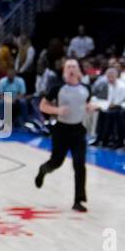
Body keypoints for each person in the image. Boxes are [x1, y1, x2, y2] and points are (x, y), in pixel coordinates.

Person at [36, 58, 99, 212]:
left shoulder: (86, 88)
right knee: (57, 162)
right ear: (64, 71)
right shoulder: (57, 88)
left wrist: (90, 107)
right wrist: (57, 111)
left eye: (74, 66)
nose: (71, 69)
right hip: (61, 130)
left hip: (78, 130)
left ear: (78, 71)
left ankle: (78, 200)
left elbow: (85, 103)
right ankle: (43, 170)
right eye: (68, 66)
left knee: (79, 165)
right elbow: (43, 106)